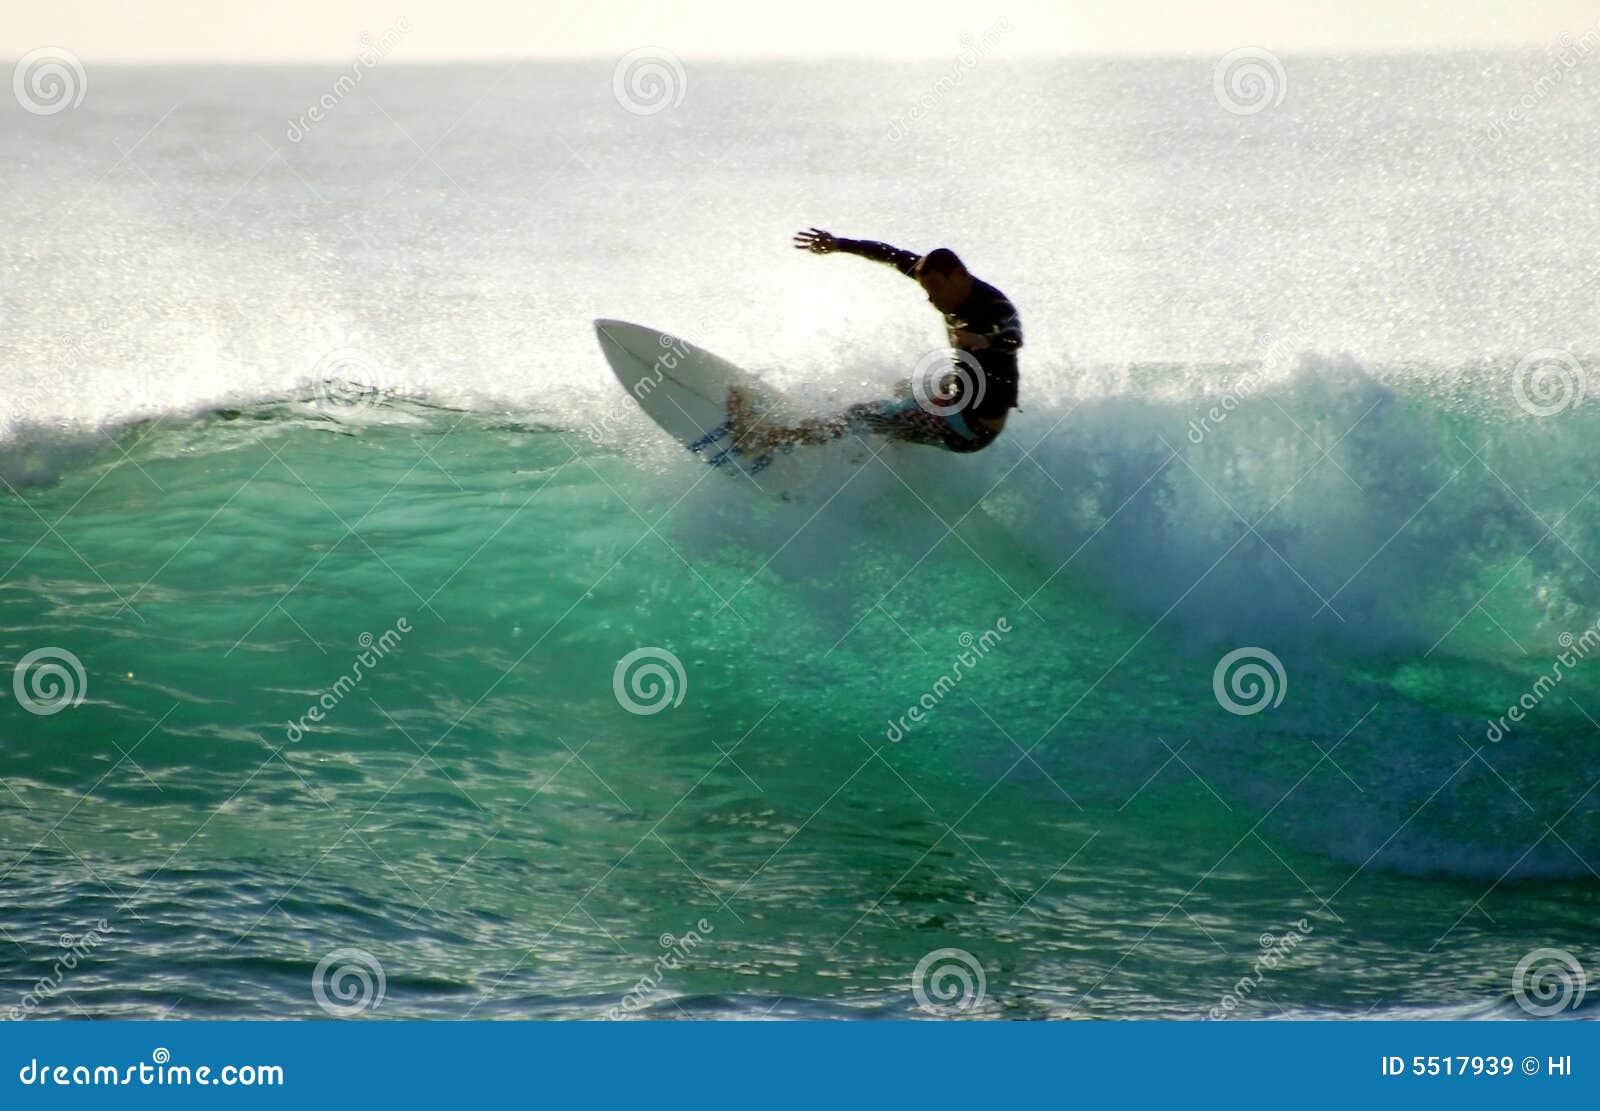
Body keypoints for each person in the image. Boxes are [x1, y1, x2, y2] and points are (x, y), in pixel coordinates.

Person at [727, 228, 1022, 455]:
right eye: (925, 288)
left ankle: (764, 439)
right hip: (960, 395)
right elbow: (891, 255)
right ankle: (898, 436)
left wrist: (984, 339)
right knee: (903, 389)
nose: (931, 298)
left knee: (861, 415)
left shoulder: (994, 307)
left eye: (935, 287)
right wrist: (838, 244)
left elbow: (1012, 337)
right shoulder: (945, 283)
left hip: (969, 428)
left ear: (958, 275)